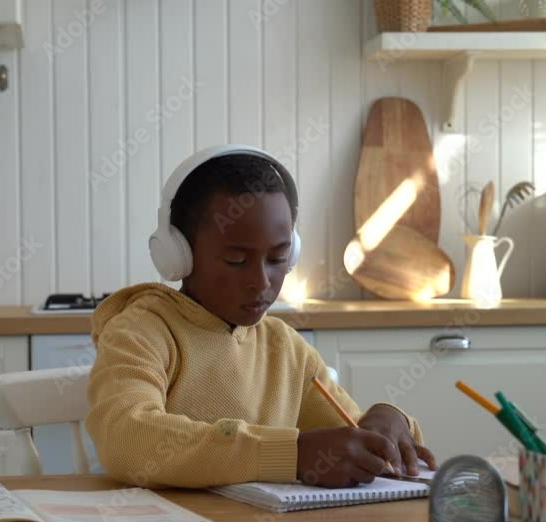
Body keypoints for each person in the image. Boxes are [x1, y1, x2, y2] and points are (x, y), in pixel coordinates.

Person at [85, 145, 435, 488]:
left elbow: (350, 439)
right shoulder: (142, 332)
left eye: (278, 258)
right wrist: (292, 455)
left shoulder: (285, 349)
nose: (262, 282)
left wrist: (388, 423)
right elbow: (126, 437)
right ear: (178, 255)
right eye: (236, 260)